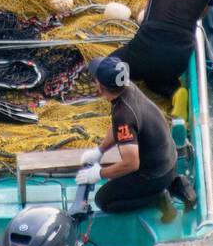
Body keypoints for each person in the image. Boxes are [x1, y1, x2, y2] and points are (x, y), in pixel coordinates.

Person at [78, 55, 195, 217]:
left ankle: (158, 197)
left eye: (95, 79)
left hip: (154, 175)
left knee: (104, 201)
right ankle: (173, 183)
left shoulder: (123, 114)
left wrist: (99, 174)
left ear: (101, 86)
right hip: (169, 160)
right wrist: (100, 150)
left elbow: (131, 163)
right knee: (117, 181)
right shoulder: (128, 89)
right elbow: (118, 128)